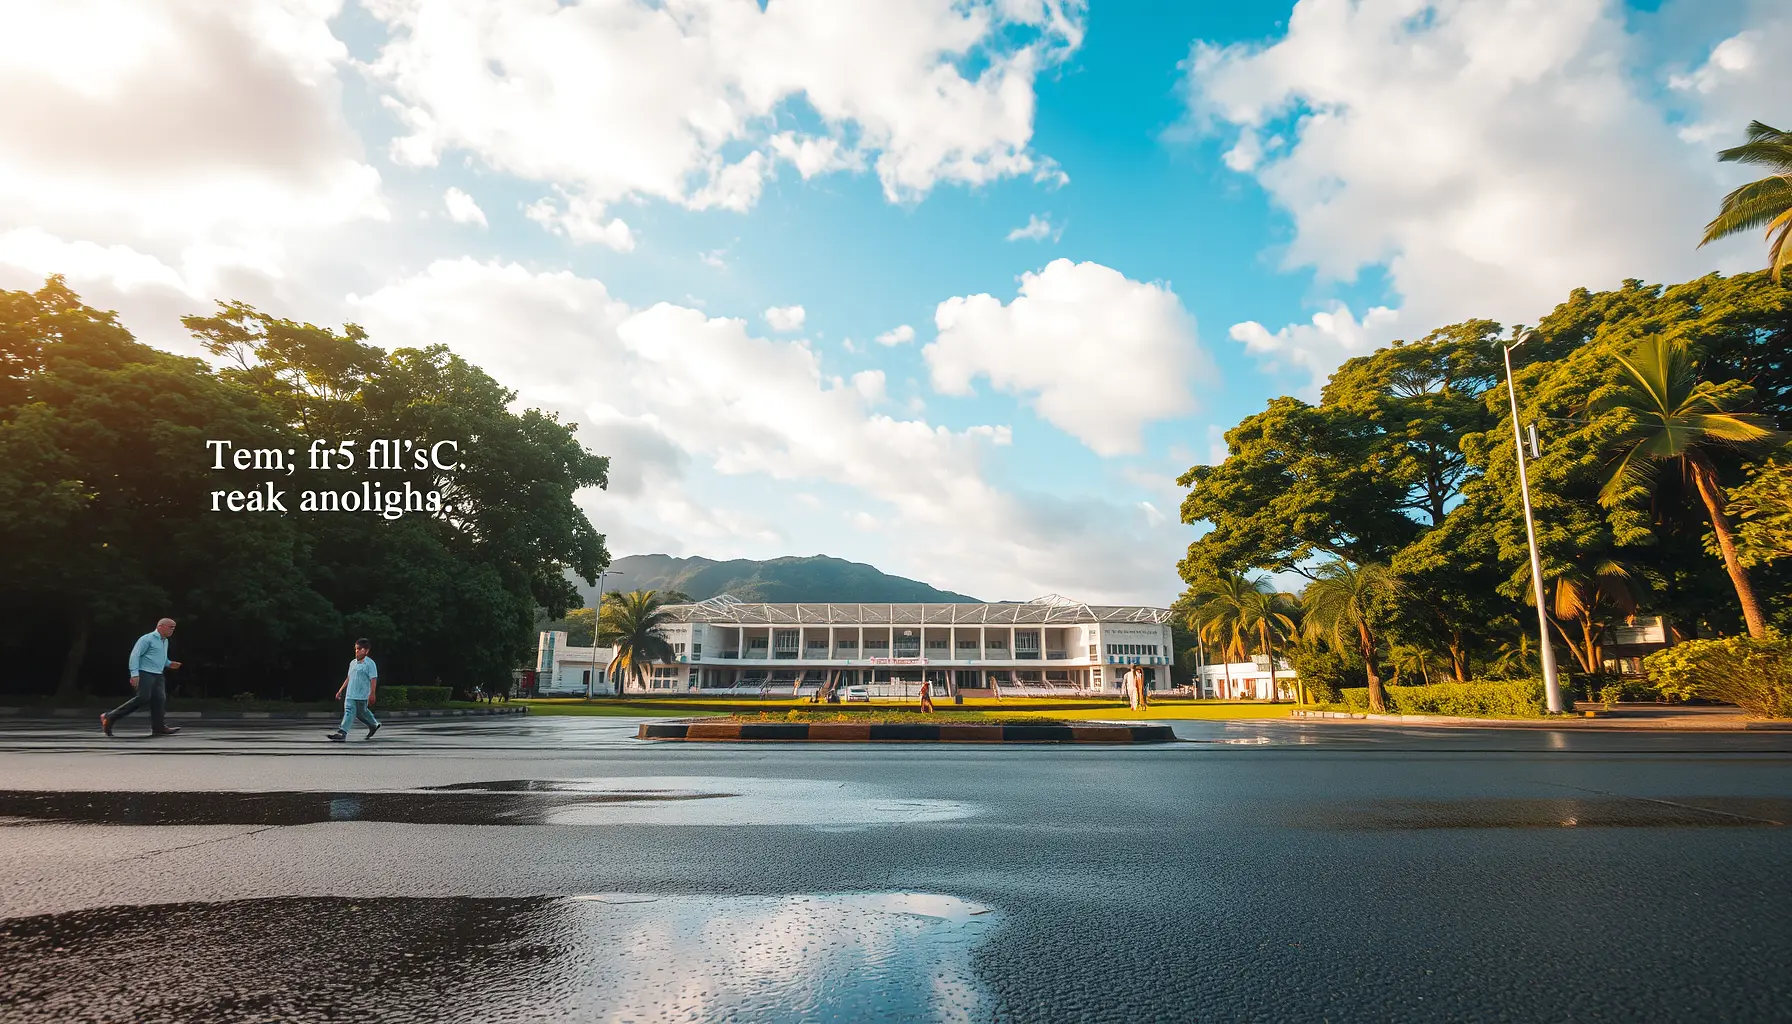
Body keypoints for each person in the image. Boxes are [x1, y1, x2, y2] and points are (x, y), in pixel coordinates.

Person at [101, 618, 183, 737]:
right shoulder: (147, 639)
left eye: (174, 628)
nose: (172, 630)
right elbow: (135, 655)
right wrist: (134, 674)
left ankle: (158, 728)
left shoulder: (164, 641)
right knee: (143, 697)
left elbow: (159, 657)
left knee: (160, 699)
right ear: (160, 626)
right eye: (170, 627)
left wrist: (169, 663)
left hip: (158, 674)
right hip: (145, 673)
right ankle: (109, 717)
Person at [325, 638, 381, 743]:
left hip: (362, 694)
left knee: (362, 713)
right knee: (349, 711)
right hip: (350, 694)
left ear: (366, 651)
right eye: (356, 649)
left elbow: (373, 678)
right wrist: (340, 690)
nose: (357, 651)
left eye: (359, 649)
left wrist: (372, 694)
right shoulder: (353, 663)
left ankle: (373, 724)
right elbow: (349, 677)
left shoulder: (370, 664)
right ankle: (342, 732)